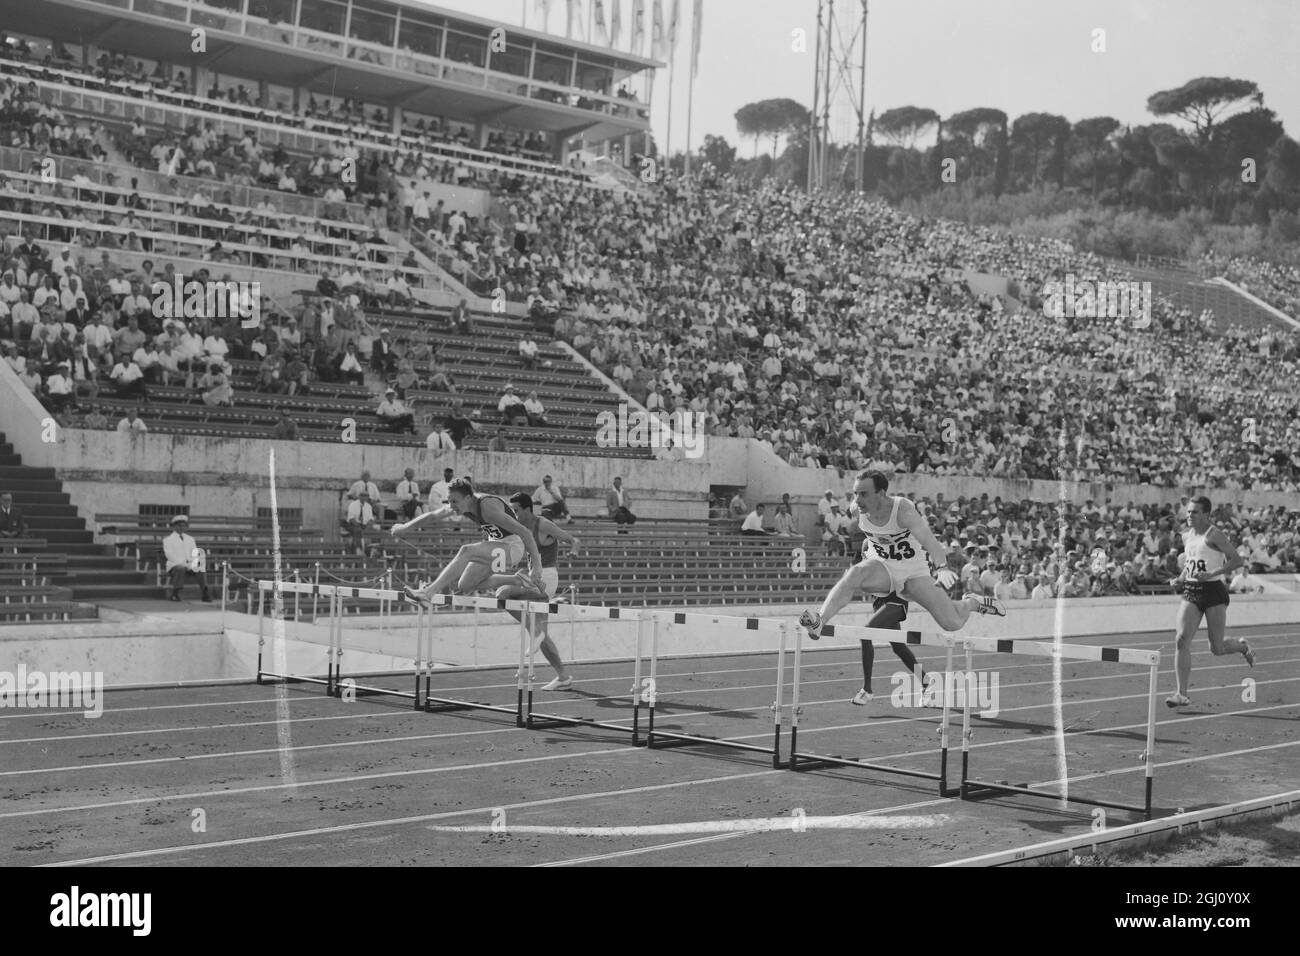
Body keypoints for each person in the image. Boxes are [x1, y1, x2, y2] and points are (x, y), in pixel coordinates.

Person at [799, 470, 1004, 643]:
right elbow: (872, 536)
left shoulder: (903, 510)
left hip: (913, 571)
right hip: (883, 567)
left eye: (864, 494)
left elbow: (929, 541)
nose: (858, 500)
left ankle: (973, 603)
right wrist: (869, 550)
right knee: (855, 573)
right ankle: (819, 621)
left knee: (952, 623)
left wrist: (942, 567)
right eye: (855, 494)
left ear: (881, 493)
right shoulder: (856, 510)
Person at [481, 492, 581, 690]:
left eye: (516, 510)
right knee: (543, 636)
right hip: (533, 577)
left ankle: (534, 631)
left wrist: (574, 551)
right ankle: (563, 677)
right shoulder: (518, 528)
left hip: (547, 577)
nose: (513, 514)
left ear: (527, 509)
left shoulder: (542, 525)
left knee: (503, 594)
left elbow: (574, 540)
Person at [394, 477, 544, 604]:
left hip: (513, 547)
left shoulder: (487, 507)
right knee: (465, 585)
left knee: (467, 551)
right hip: (497, 544)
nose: (451, 506)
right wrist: (405, 527)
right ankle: (519, 580)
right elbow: (433, 516)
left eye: (454, 502)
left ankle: (427, 593)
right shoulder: (463, 504)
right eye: (449, 501)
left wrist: (536, 566)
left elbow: (525, 532)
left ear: (467, 498)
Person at [1165, 495, 1255, 708]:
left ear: (1206, 514)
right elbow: (1191, 563)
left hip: (1213, 591)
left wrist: (1214, 572)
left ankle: (1242, 647)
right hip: (1191, 591)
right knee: (1181, 639)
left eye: (1195, 512)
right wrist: (1179, 579)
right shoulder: (1187, 536)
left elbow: (1237, 560)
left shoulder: (1215, 534)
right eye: (1188, 511)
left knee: (1217, 648)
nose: (1189, 515)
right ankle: (1181, 694)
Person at [163, 514, 211, 602]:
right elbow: (170, 555)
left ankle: (205, 592)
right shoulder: (168, 539)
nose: (182, 528)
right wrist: (185, 564)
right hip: (175, 565)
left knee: (200, 568)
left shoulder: (190, 539)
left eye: (184, 526)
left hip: (189, 564)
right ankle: (175, 593)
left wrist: (193, 563)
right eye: (179, 526)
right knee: (181, 568)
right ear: (174, 526)